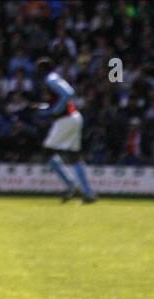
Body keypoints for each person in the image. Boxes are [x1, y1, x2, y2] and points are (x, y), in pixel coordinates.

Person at [34, 58, 95, 204]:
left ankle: (71, 185)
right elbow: (60, 100)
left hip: (66, 120)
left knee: (47, 152)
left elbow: (68, 93)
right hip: (74, 117)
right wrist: (42, 109)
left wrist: (55, 111)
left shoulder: (50, 79)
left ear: (43, 70)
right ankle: (88, 193)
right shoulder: (53, 80)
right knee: (74, 156)